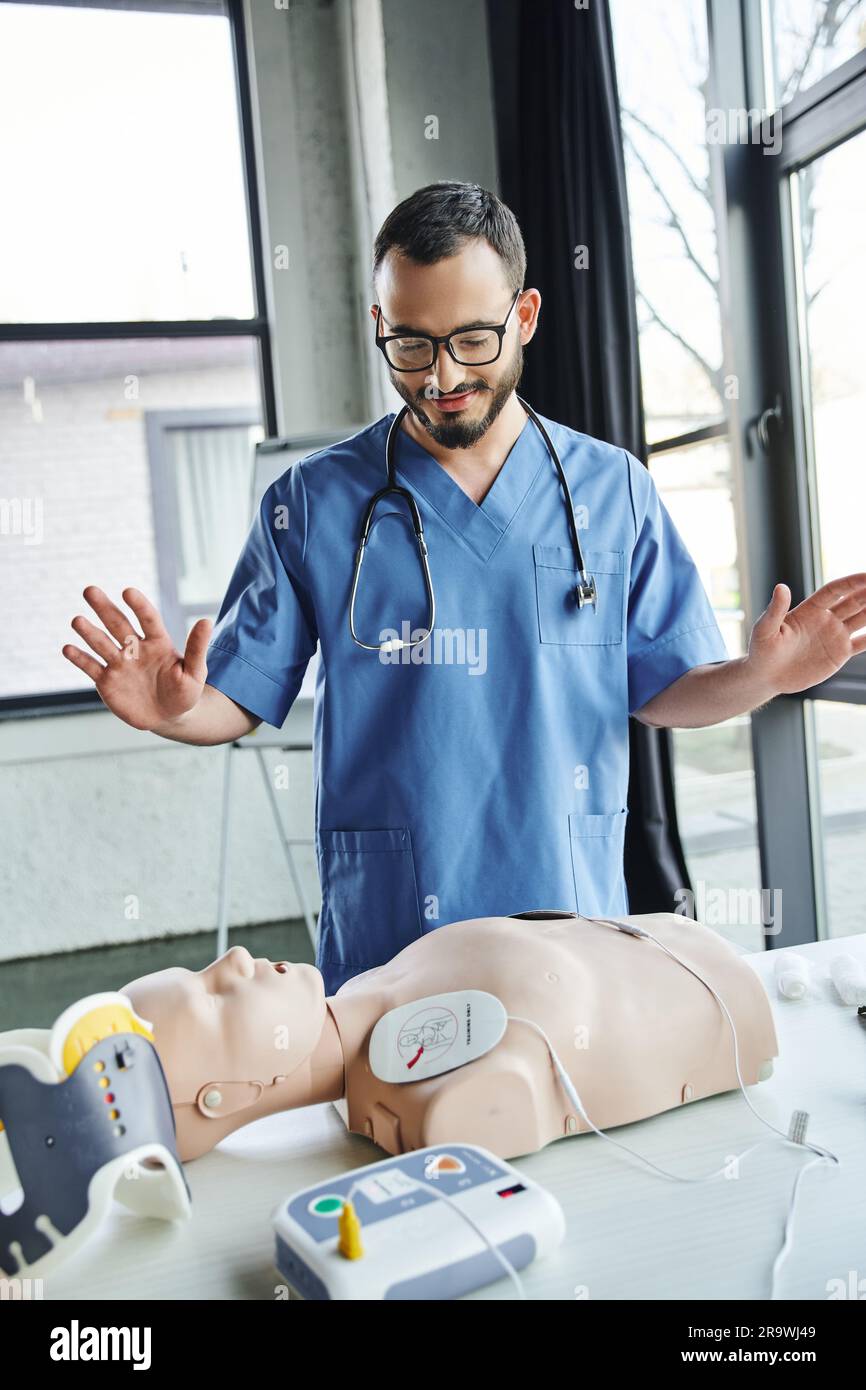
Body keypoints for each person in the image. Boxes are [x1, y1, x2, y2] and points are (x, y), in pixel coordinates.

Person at [62, 182, 866, 994]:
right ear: (380, 326)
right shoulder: (311, 503)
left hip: (570, 919)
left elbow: (665, 691)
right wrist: (176, 711)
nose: (442, 375)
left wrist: (762, 676)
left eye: (473, 339)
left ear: (524, 317)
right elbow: (235, 694)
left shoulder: (613, 491)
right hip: (394, 933)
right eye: (411, 344)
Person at [120, 911, 779, 1163]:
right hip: (730, 1003)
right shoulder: (442, 1104)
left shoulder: (370, 989)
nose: (231, 960)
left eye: (203, 971)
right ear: (218, 1098)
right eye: (209, 996)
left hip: (697, 955)